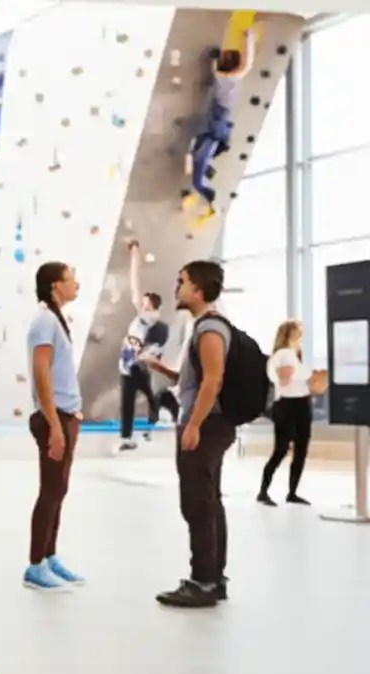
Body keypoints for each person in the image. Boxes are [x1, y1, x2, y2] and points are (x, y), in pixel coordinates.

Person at [142, 261, 236, 608]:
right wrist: (158, 367)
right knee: (209, 502)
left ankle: (202, 582)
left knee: (197, 504)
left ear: (198, 289)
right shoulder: (203, 326)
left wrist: (193, 424)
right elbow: (192, 379)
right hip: (210, 423)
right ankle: (213, 578)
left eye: (181, 282)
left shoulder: (210, 328)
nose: (175, 287)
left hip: (207, 425)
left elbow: (214, 380)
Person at [24, 261, 86, 592]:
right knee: (50, 492)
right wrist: (55, 426)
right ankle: (35, 565)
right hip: (54, 418)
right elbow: (42, 373)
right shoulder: (44, 322)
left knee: (58, 490)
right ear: (54, 285)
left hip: (66, 414)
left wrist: (74, 413)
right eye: (71, 278)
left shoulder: (56, 320)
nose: (77, 283)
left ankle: (49, 556)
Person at [183, 28, 256, 225]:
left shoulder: (219, 75)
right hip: (217, 127)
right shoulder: (231, 77)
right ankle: (207, 193)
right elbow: (247, 64)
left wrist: (215, 57)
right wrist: (249, 40)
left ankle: (206, 189)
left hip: (215, 127)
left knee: (199, 157)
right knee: (198, 164)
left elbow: (231, 64)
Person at [117, 238, 179, 453]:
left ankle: (159, 418)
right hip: (129, 365)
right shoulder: (145, 320)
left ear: (152, 307)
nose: (140, 305)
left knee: (150, 396)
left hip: (138, 365)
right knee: (130, 400)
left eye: (144, 303)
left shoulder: (150, 320)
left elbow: (135, 285)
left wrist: (135, 254)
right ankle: (127, 436)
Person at [260, 320, 326, 506]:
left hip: (296, 403)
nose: (301, 337)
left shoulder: (289, 356)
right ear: (290, 335)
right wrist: (310, 375)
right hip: (291, 405)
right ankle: (269, 491)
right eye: (299, 333)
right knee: (284, 449)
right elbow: (285, 377)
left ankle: (287, 492)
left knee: (296, 450)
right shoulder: (285, 354)